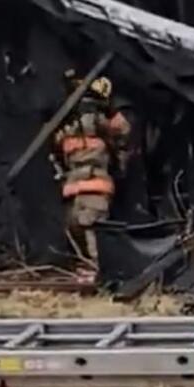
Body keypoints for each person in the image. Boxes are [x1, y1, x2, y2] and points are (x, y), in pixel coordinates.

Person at [53, 72, 130, 264]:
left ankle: (100, 271)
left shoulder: (102, 127)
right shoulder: (68, 130)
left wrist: (108, 112)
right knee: (75, 230)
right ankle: (90, 269)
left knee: (92, 230)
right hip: (74, 188)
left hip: (94, 185)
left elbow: (123, 131)